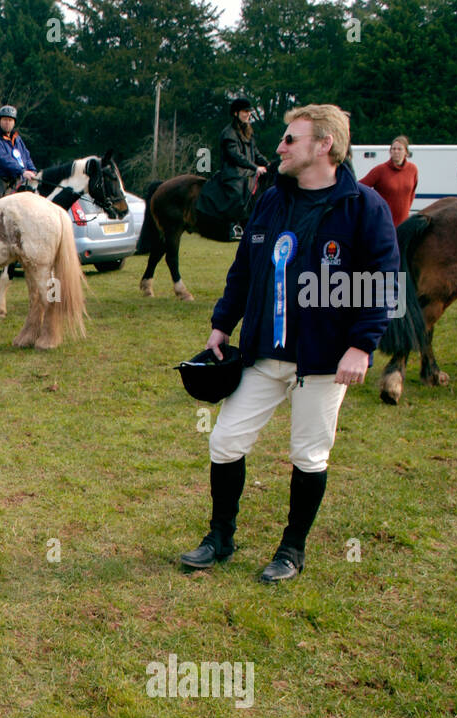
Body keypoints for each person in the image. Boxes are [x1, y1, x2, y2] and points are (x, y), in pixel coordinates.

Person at [178, 104, 399, 583]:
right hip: (262, 352)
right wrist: (222, 323)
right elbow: (243, 267)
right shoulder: (272, 200)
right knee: (224, 441)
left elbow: (384, 282)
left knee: (308, 455)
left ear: (324, 146)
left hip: (322, 361)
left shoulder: (364, 207)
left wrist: (362, 345)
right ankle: (220, 538)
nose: (278, 147)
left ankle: (291, 550)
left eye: (290, 140)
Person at [197, 98, 271, 228]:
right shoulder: (229, 133)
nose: (248, 114)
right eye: (244, 111)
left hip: (247, 172)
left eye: (249, 111)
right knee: (237, 192)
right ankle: (233, 225)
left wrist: (269, 165)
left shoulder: (248, 132)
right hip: (233, 173)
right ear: (236, 113)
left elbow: (256, 153)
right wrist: (255, 167)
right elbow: (236, 156)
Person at [360, 135, 418, 227]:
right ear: (390, 151)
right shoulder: (380, 170)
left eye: (399, 149)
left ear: (406, 152)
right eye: (393, 149)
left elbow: (412, 192)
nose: (396, 152)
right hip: (383, 222)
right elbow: (360, 187)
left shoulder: (412, 169)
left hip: (403, 224)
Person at [0, 105, 37, 197]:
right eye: (5, 120)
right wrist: (22, 171)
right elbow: (4, 159)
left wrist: (33, 171)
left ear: (14, 123)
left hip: (16, 179)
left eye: (10, 120)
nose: (7, 123)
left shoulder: (18, 139)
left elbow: (26, 156)